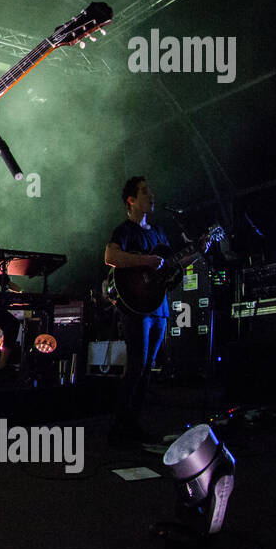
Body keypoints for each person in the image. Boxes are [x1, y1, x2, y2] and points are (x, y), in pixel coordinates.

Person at [103, 176, 172, 447]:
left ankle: (133, 424)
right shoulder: (125, 231)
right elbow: (110, 257)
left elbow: (167, 267)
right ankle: (120, 427)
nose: (151, 195)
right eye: (144, 191)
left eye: (150, 190)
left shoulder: (159, 233)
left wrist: (196, 252)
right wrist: (146, 260)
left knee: (147, 368)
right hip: (135, 306)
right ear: (131, 200)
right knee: (137, 365)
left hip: (158, 306)